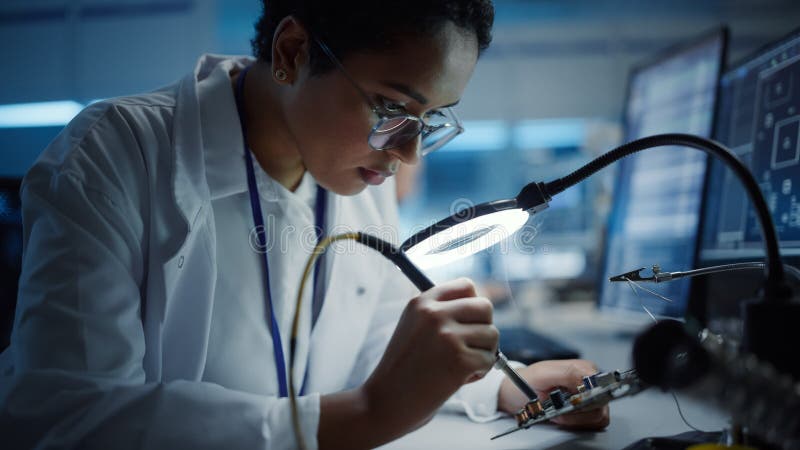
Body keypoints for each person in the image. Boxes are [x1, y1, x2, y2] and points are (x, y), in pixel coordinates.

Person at [0, 1, 609, 448]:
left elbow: (376, 342)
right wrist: (365, 415)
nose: (409, 154)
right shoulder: (113, 157)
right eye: (393, 108)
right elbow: (67, 416)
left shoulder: (355, 169)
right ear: (292, 53)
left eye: (432, 119)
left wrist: (501, 387)